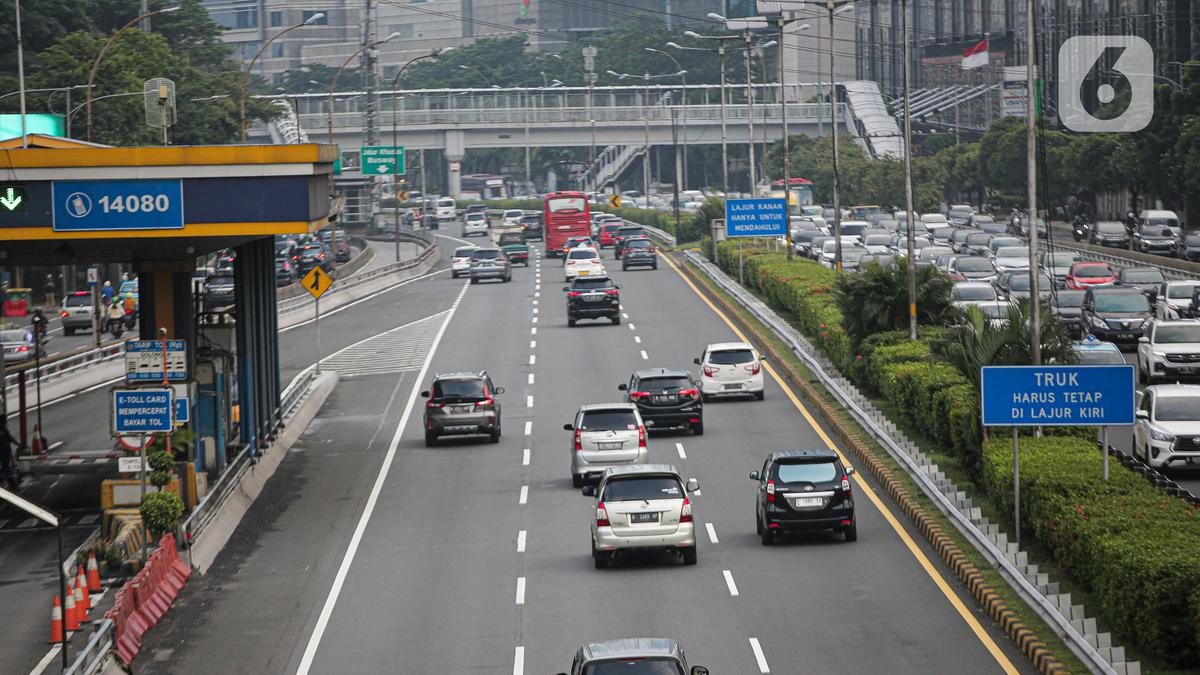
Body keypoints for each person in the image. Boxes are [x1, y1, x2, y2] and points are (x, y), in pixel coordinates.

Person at [0, 420, 15, 489]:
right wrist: (18, 444)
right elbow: (10, 438)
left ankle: (3, 480)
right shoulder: (4, 429)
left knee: (4, 466)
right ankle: (11, 484)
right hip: (5, 451)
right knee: (6, 467)